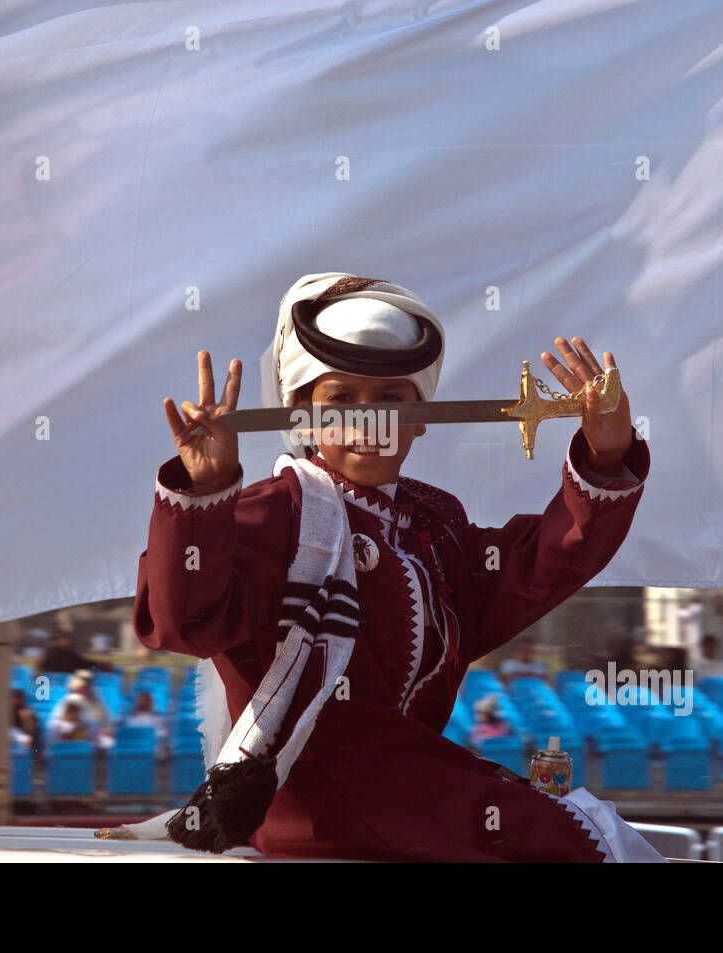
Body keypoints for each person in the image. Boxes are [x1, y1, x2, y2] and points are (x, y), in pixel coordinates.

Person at [125, 272, 662, 862]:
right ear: (302, 415)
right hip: (320, 814)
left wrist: (606, 456)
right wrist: (203, 495)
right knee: (578, 842)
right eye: (342, 401)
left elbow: (539, 569)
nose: (365, 421)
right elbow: (183, 623)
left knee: (592, 835)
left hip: (416, 793)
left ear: (423, 415)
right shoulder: (274, 513)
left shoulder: (434, 523)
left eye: (389, 401)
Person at [40, 629, 115, 674]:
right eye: (64, 638)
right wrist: (99, 665)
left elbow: (81, 662)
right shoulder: (60, 654)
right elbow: (80, 664)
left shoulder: (63, 653)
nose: (69, 641)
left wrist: (98, 664)